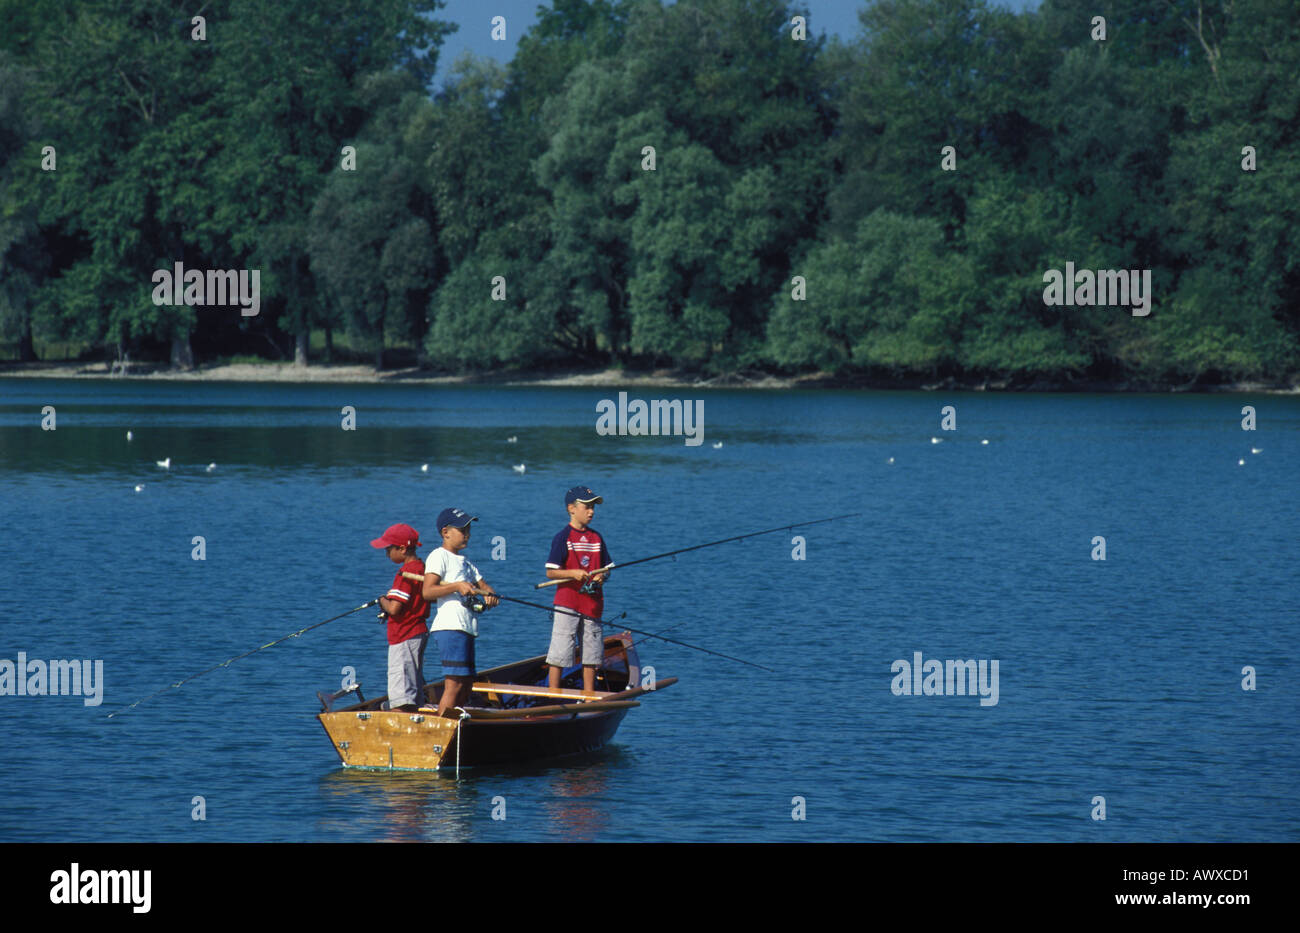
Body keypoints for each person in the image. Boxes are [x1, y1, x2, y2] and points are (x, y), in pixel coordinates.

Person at [422, 507, 498, 718]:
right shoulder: (438, 556)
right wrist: (456, 586)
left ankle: (456, 723)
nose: (468, 534)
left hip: (466, 628)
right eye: (462, 529)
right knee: (454, 684)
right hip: (449, 627)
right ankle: (440, 725)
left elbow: (485, 586)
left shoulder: (466, 563)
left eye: (469, 529)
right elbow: (427, 591)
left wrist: (490, 595)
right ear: (445, 532)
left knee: (466, 684)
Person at [544, 486, 612, 694]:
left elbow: (607, 569)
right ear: (571, 509)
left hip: (592, 604)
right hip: (567, 602)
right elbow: (551, 573)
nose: (591, 511)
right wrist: (573, 573)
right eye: (587, 507)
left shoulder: (597, 538)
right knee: (560, 651)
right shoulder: (563, 537)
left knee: (591, 655)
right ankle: (553, 694)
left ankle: (589, 696)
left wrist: (601, 576)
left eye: (593, 507)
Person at [371, 523, 431, 713]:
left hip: (403, 635)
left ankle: (401, 731)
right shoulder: (421, 568)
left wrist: (383, 601)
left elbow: (395, 609)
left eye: (389, 549)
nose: (387, 553)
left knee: (400, 698)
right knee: (413, 687)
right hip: (418, 633)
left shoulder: (405, 574)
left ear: (402, 549)